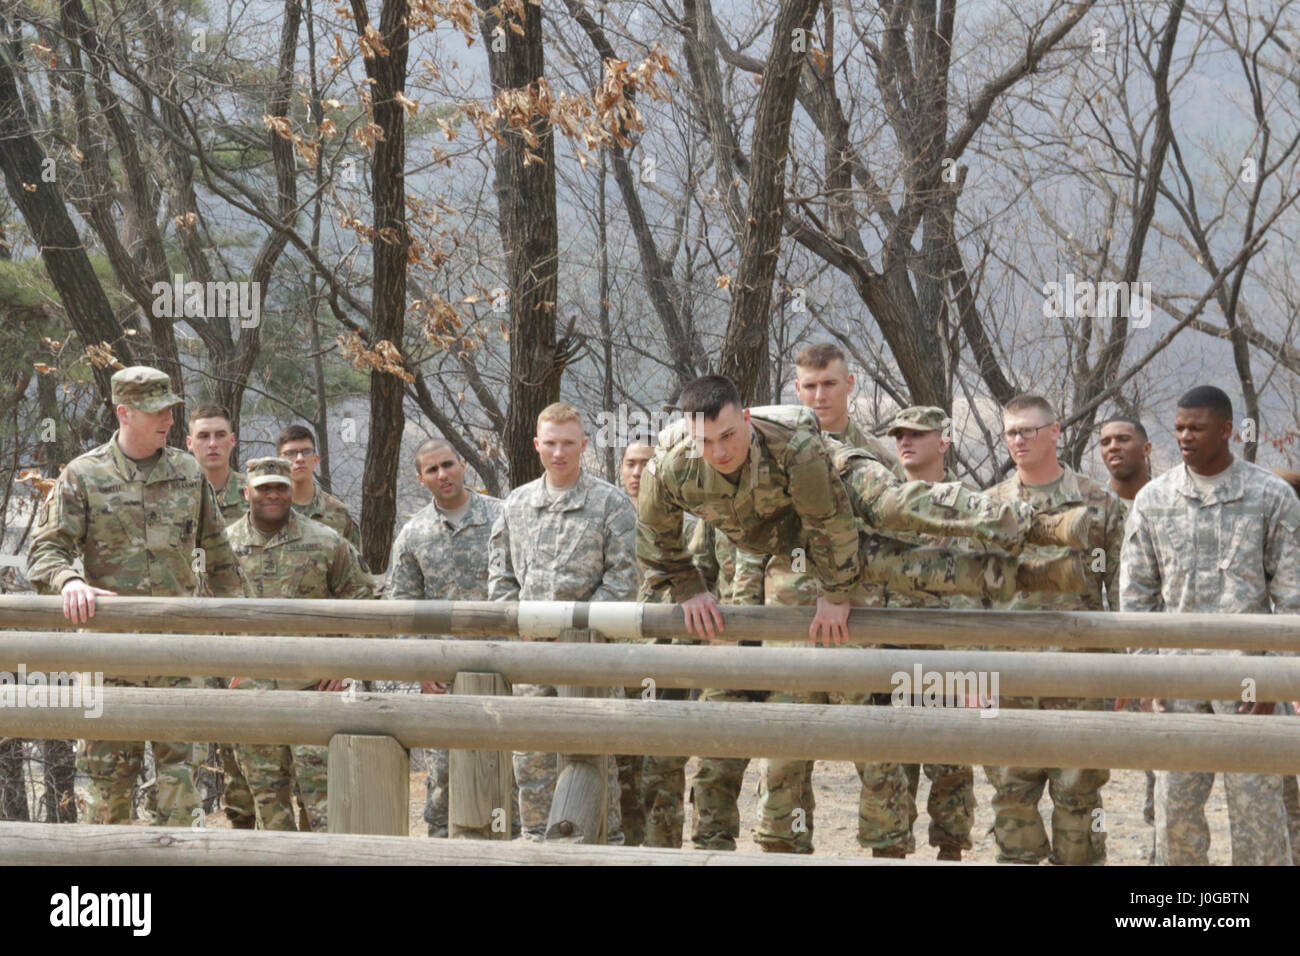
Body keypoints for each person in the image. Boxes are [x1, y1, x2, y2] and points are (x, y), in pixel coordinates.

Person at [26, 365, 245, 826]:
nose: (167, 419)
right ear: (124, 413)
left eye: (170, 409)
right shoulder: (83, 475)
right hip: (112, 659)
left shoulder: (188, 473)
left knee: (182, 795)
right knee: (107, 796)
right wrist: (69, 581)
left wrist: (241, 643)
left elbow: (223, 562)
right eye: (155, 411)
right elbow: (45, 551)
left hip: (178, 658)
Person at [1119, 386, 1299, 866]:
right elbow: (1136, 598)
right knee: (1175, 819)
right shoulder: (1154, 500)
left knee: (1260, 817)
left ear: (1227, 431)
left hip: (1251, 683)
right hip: (1176, 683)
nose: (1184, 436)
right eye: (1178, 427)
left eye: (1196, 428)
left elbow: (1292, 597)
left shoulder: (1270, 496)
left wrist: (1278, 677)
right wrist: (1145, 673)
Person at [982, 394, 1126, 866]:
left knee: (1079, 804)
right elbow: (968, 599)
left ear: (1056, 432)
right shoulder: (988, 507)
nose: (1018, 440)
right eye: (1011, 433)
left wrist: (1129, 674)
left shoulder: (1099, 504)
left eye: (1028, 430)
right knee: (1009, 800)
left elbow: (1123, 593)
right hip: (1007, 680)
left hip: (1079, 679)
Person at [488, 403, 640, 842]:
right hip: (532, 660)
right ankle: (539, 845)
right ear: (536, 446)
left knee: (592, 761)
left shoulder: (610, 504)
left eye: (568, 443)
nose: (559, 452)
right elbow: (500, 579)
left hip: (589, 660)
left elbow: (623, 582)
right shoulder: (516, 505)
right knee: (532, 765)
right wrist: (525, 626)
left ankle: (601, 848)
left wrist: (574, 632)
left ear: (584, 445)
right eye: (551, 443)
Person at [854, 405, 979, 861]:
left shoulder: (969, 506)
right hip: (885, 657)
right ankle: (888, 854)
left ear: (943, 442)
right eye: (899, 435)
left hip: (948, 661)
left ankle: (950, 854)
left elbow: (986, 588)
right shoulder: (879, 506)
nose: (905, 442)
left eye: (918, 435)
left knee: (951, 772)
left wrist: (978, 663)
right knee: (885, 771)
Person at [225, 457, 373, 831]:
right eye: (263, 488)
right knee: (269, 809)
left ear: (292, 491)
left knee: (327, 808)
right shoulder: (223, 549)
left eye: (280, 487)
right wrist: (218, 667)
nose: (272, 495)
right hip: (251, 696)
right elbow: (197, 611)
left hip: (314, 692)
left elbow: (362, 602)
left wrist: (344, 664)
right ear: (247, 493)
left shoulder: (324, 541)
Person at [388, 437, 504, 838]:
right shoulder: (414, 534)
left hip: (506, 668)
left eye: (448, 465)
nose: (443, 475)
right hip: (444, 678)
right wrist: (420, 668)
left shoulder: (503, 517)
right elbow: (401, 609)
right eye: (432, 470)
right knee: (443, 781)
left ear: (463, 465)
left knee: (512, 775)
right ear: (421, 480)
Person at [184, 403, 259, 830]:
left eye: (220, 435)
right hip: (185, 646)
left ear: (233, 440)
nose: (212, 443)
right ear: (189, 443)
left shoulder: (259, 496)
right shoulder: (173, 494)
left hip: (238, 647)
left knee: (244, 761)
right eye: (203, 436)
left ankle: (244, 845)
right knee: (183, 758)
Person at [1098, 415, 1157, 842]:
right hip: (1107, 660)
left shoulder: (1169, 504)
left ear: (1147, 448)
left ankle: (1161, 844)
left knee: (1168, 765)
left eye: (1123, 439)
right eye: (1105, 441)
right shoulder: (1093, 509)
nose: (1112, 447)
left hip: (1165, 657)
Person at [276, 425, 363, 555]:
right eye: (291, 453)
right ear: (279, 462)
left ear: (315, 459)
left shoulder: (339, 514)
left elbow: (356, 571)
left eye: (306, 452)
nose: (300, 459)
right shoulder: (267, 511)